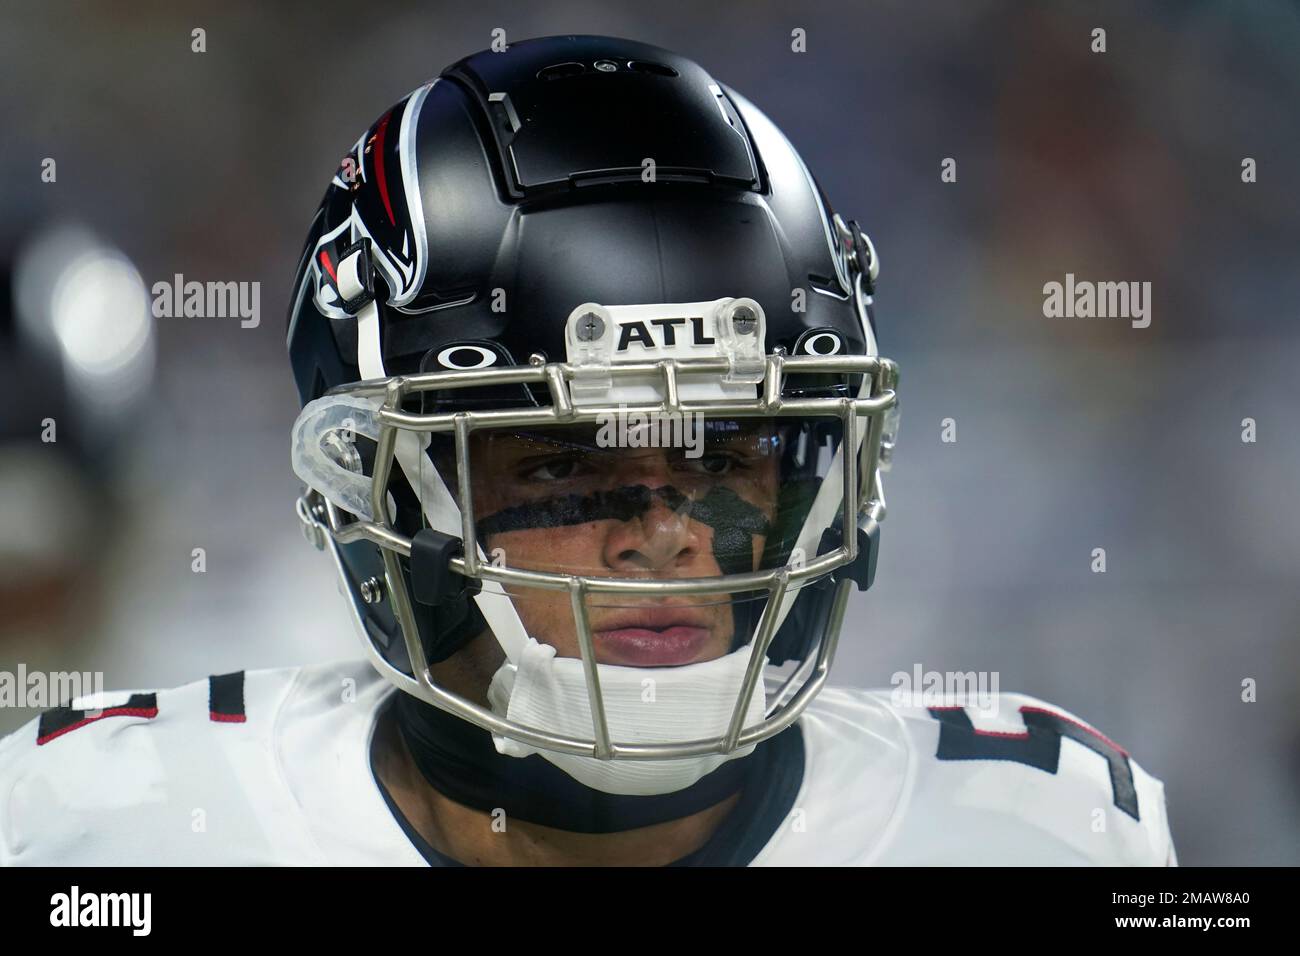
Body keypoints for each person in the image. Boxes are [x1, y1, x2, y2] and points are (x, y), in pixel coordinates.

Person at [0, 34, 1175, 866]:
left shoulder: (1045, 833)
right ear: (375, 493)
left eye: (722, 456)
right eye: (560, 465)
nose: (659, 532)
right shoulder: (107, 824)